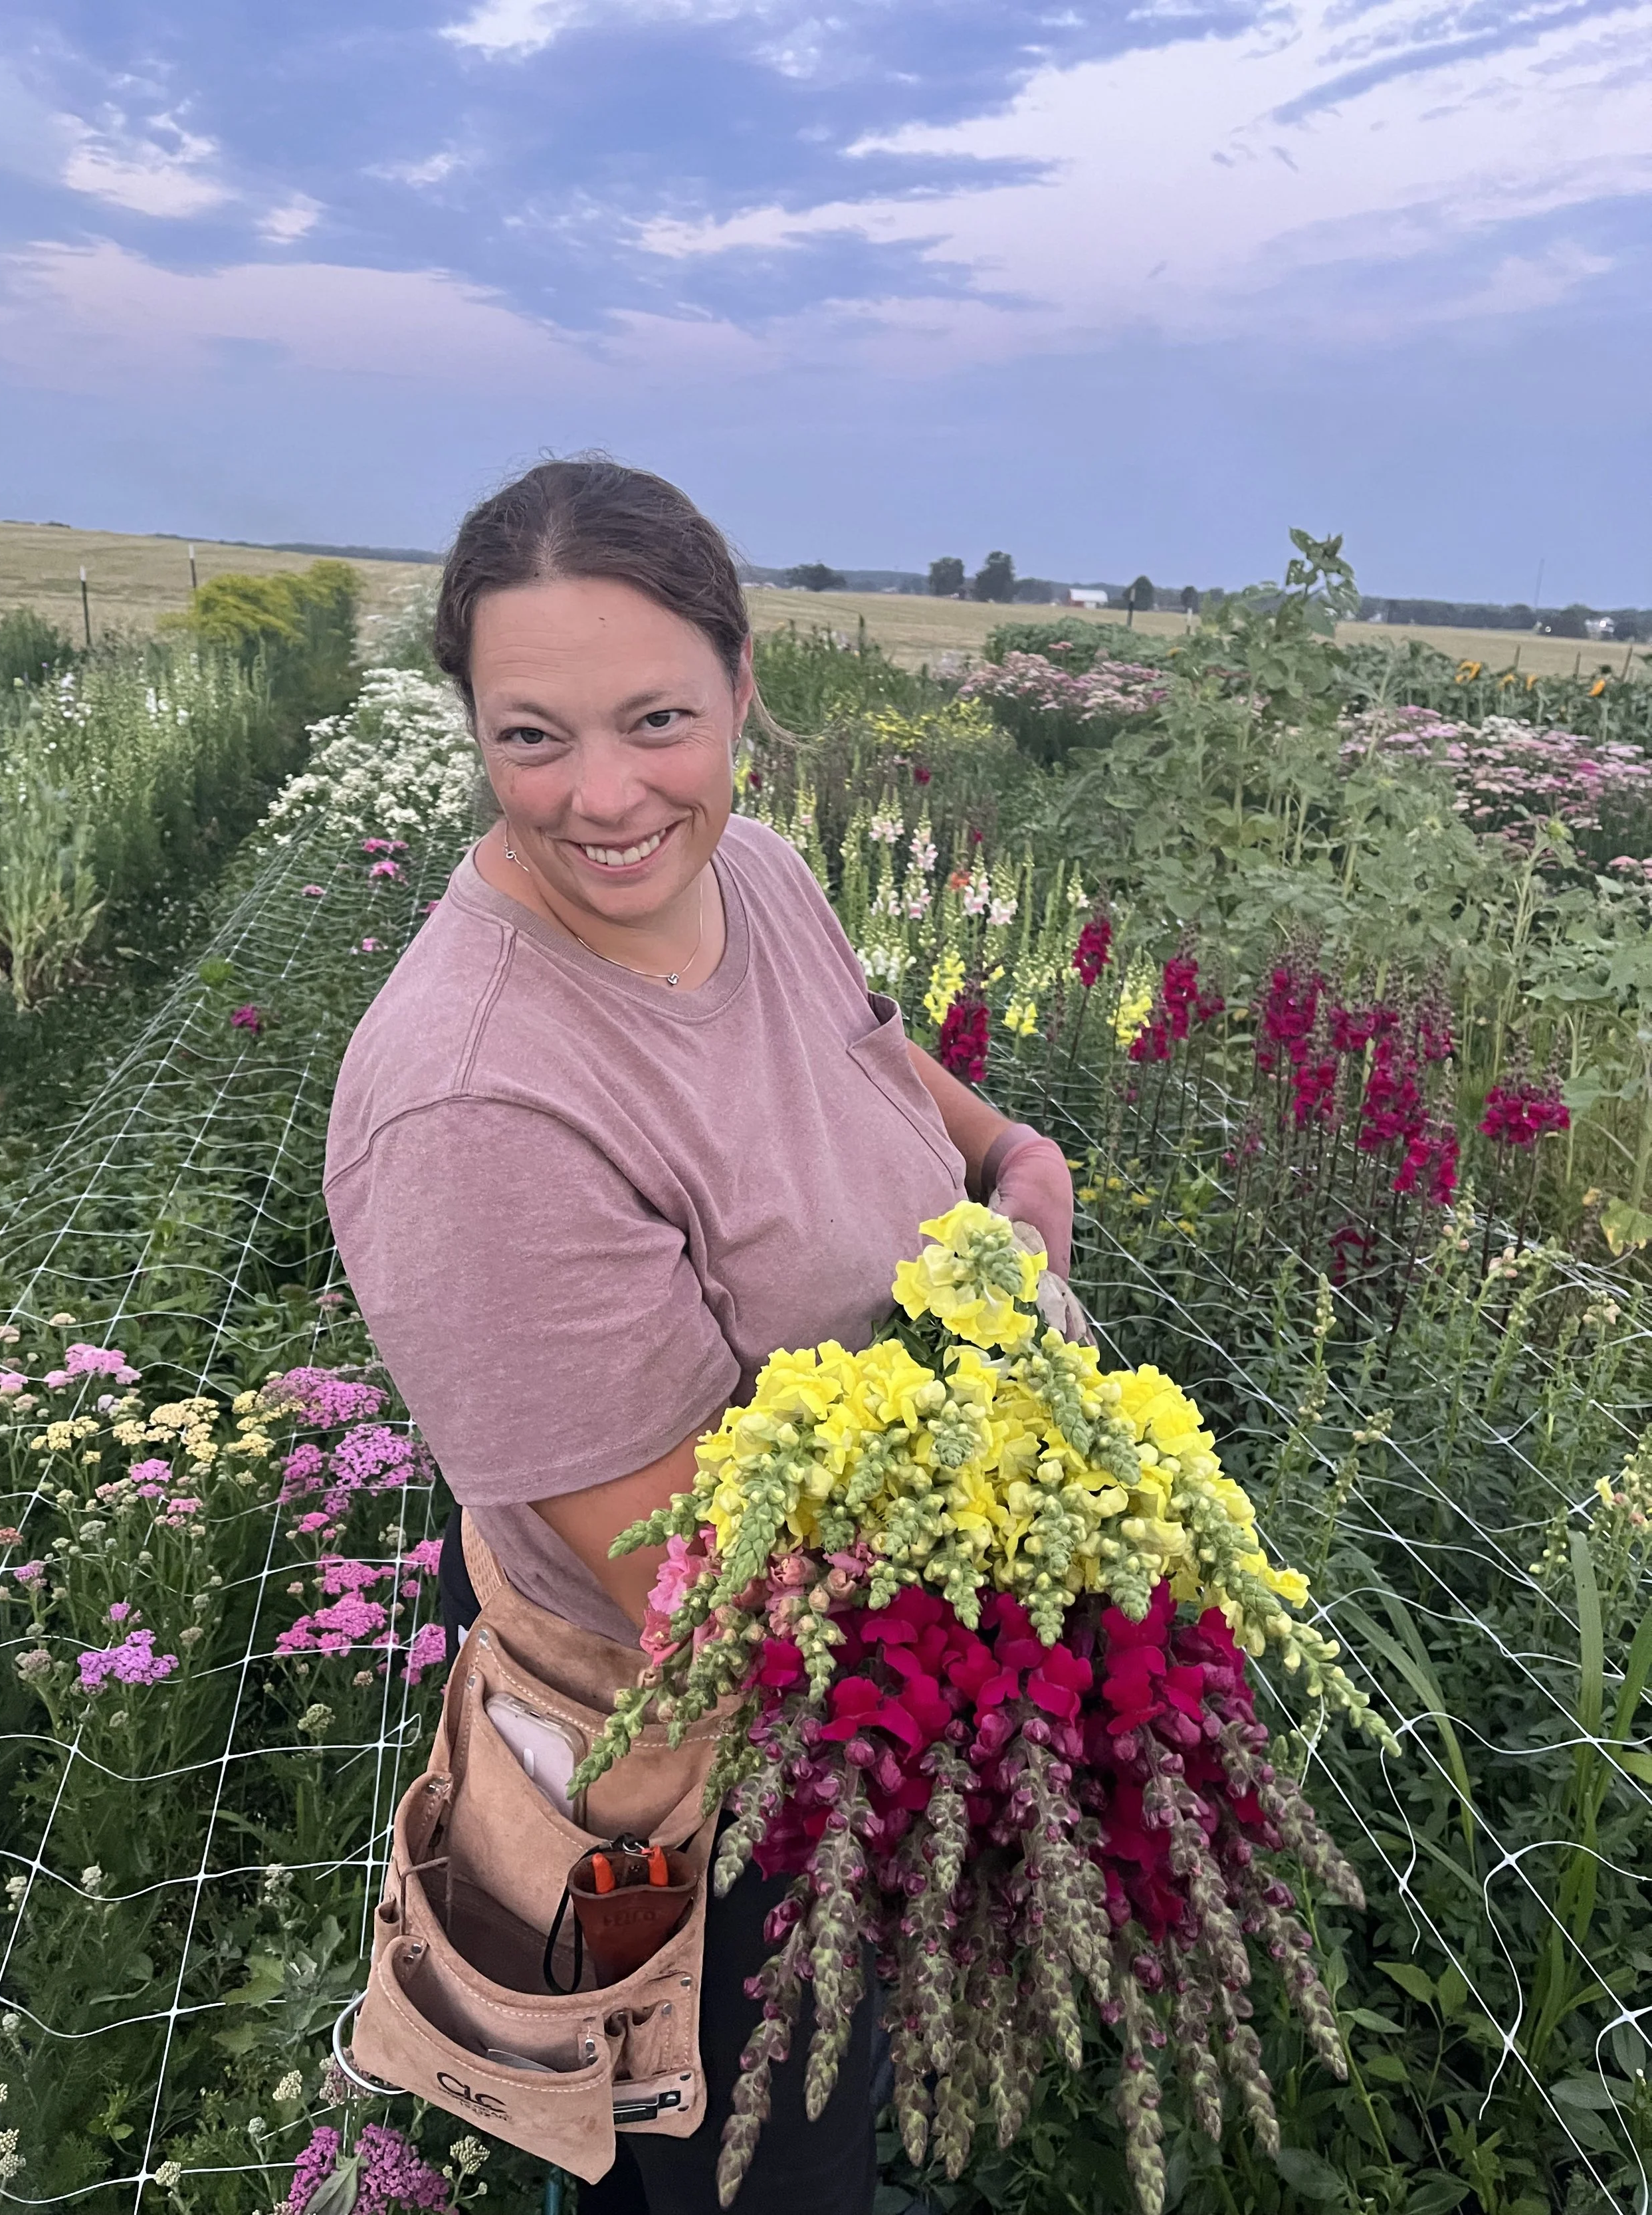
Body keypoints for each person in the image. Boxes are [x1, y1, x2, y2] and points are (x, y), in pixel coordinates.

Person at [322, 456, 1076, 2215]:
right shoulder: (471, 1100)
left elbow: (864, 1057)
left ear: (744, 687)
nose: (601, 796)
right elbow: (709, 1585)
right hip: (688, 1777)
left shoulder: (757, 872)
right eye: (530, 736)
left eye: (656, 716)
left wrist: (1001, 1154)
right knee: (750, 2162)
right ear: (473, 732)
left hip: (849, 1687)